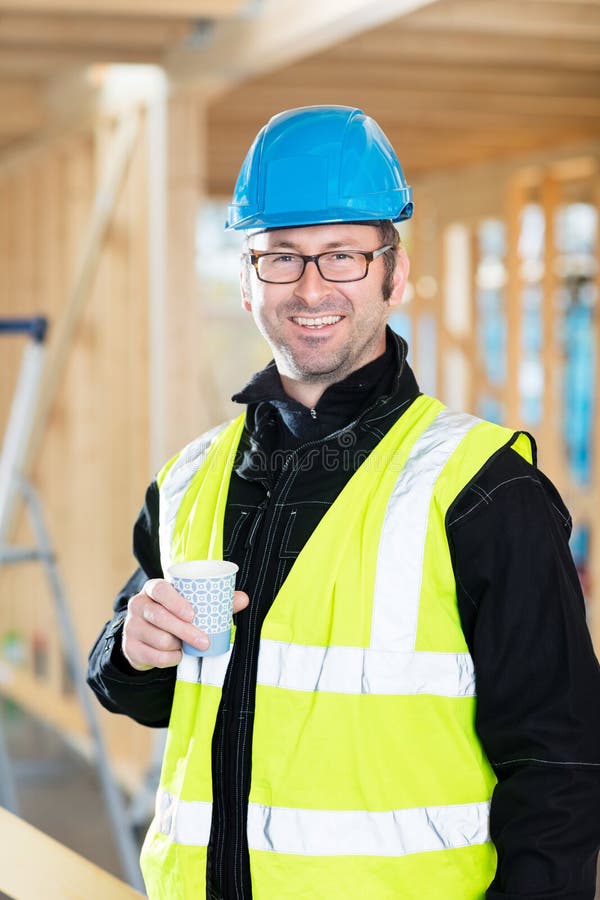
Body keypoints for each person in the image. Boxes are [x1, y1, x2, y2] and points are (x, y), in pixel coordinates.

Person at [87, 106, 600, 899]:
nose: (311, 287)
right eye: (281, 257)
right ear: (248, 280)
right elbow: (153, 696)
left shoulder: (482, 489)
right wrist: (130, 648)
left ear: (395, 274)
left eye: (343, 255)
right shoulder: (191, 479)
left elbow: (559, 766)